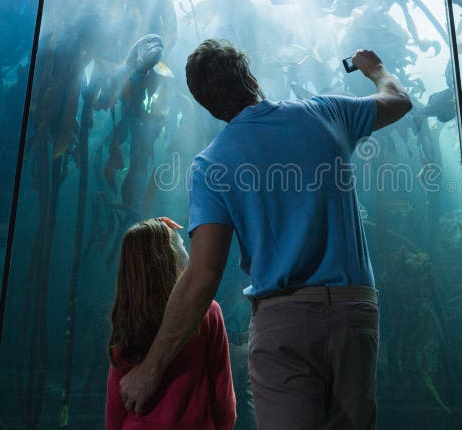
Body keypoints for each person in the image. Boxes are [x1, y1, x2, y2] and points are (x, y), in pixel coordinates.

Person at [119, 40, 412, 429]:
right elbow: (398, 100)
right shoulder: (327, 111)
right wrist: (375, 70)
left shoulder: (211, 165)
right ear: (251, 78)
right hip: (354, 313)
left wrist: (150, 369)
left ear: (207, 105)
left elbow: (203, 276)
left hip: (283, 322)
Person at [106, 216, 236, 429]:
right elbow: (224, 398)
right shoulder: (208, 312)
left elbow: (115, 407)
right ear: (169, 258)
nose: (188, 252)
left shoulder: (129, 321)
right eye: (182, 246)